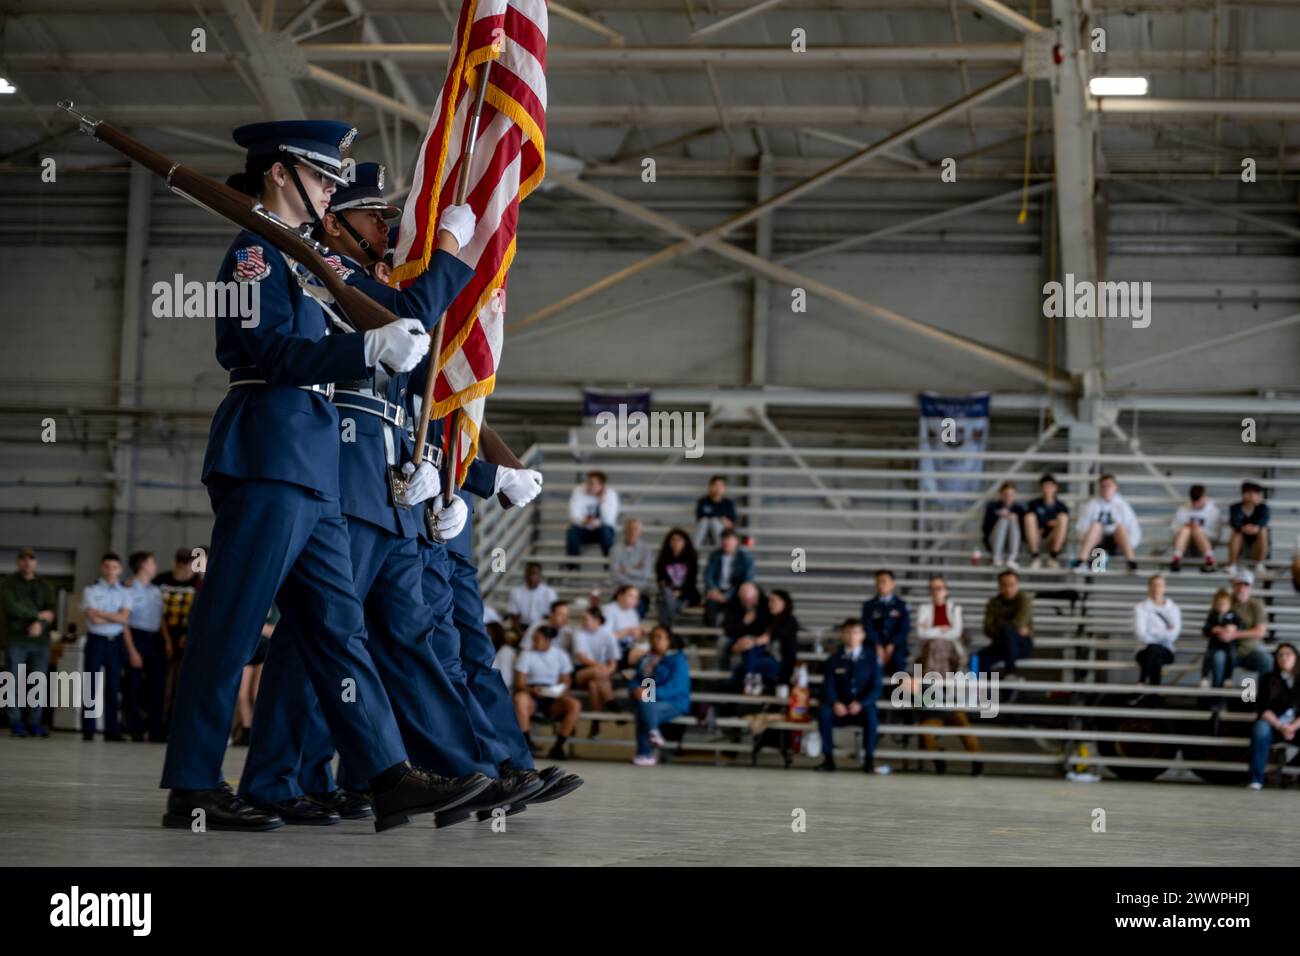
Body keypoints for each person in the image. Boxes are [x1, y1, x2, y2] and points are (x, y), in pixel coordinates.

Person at [159, 121, 489, 833]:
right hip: (269, 451)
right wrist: (360, 351)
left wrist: (442, 265)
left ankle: (389, 776)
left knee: (341, 632)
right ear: (281, 174)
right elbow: (258, 348)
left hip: (315, 466)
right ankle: (191, 784)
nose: (335, 189)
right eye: (322, 177)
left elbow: (398, 318)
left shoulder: (307, 262)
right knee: (233, 627)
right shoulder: (255, 253)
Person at [239, 162, 544, 824]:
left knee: (408, 637)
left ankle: (465, 771)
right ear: (335, 223)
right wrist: (450, 254)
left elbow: (416, 394)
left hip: (392, 489)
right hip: (346, 483)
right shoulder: (324, 271)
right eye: (373, 215)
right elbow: (405, 317)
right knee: (315, 639)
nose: (386, 227)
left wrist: (447, 475)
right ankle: (277, 778)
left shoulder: (365, 285)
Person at [814, 619, 881, 774]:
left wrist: (861, 703)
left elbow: (876, 687)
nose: (852, 636)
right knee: (824, 713)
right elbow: (828, 685)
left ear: (863, 635)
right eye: (848, 632)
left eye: (856, 632)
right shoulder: (834, 659)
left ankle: (869, 759)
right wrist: (835, 703)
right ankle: (828, 759)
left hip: (861, 708)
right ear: (842, 635)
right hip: (840, 708)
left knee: (872, 715)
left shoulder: (871, 658)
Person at [2, 547, 56, 737]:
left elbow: (51, 611)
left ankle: (34, 722)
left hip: (39, 641)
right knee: (12, 682)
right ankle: (15, 722)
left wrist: (39, 625)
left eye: (31, 559)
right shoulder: (8, 584)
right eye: (23, 559)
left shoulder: (44, 586)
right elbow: (12, 607)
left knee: (38, 683)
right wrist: (37, 615)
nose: (27, 562)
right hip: (16, 640)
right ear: (18, 562)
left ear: (36, 562)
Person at [81, 552, 132, 742]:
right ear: (102, 568)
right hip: (96, 641)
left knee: (113, 687)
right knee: (90, 686)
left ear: (119, 569)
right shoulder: (90, 591)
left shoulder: (126, 592)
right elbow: (93, 620)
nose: (110, 571)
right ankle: (88, 729)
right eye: (107, 567)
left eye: (114, 567)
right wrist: (114, 616)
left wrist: (102, 613)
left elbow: (124, 619)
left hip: (115, 642)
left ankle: (112, 730)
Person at [513, 625, 581, 760]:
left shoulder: (560, 655)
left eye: (537, 639)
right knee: (520, 699)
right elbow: (519, 683)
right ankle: (526, 744)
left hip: (553, 695)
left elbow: (566, 681)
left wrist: (560, 691)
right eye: (533, 639)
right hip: (532, 693)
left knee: (574, 704)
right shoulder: (526, 654)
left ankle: (558, 746)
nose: (534, 642)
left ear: (548, 640)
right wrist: (532, 690)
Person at [629, 624, 691, 766]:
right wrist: (635, 689)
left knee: (644, 708)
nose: (655, 640)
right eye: (653, 637)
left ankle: (644, 752)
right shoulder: (647, 659)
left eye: (659, 637)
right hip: (648, 700)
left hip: (674, 702)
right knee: (644, 704)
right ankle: (653, 734)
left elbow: (676, 687)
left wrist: (649, 692)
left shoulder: (678, 659)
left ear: (669, 640)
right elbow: (636, 679)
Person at [123, 551, 167, 743]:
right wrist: (132, 650)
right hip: (136, 636)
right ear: (142, 565)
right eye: (152, 563)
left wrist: (167, 641)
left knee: (157, 685)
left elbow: (161, 618)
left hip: (155, 638)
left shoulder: (156, 590)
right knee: (133, 685)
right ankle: (135, 728)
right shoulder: (128, 589)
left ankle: (156, 729)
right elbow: (123, 622)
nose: (155, 566)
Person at [155, 546, 201, 726]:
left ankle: (173, 724)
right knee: (163, 686)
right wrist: (166, 639)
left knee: (181, 686)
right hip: (163, 636)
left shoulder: (197, 583)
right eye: (180, 562)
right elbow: (156, 611)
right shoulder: (162, 580)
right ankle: (158, 723)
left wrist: (188, 634)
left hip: (187, 639)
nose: (183, 566)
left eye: (186, 562)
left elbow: (199, 612)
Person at [1247, 643, 1300, 790]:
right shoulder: (1268, 679)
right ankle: (1256, 779)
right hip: (1274, 724)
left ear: (1296, 657)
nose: (1284, 658)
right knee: (1260, 729)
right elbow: (1261, 708)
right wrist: (1280, 726)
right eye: (1280, 655)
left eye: (1288, 654)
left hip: (1297, 725)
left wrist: (1293, 727)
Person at [1074, 473, 1142, 573]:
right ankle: (1081, 561)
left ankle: (1131, 563)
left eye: (1109, 485)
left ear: (1115, 487)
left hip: (1117, 545)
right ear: (1099, 488)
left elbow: (1134, 529)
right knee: (1096, 525)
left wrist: (1128, 544)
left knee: (1120, 527)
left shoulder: (1123, 505)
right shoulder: (1092, 505)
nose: (1106, 488)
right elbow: (1080, 529)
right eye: (1103, 486)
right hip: (1097, 545)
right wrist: (1088, 540)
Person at [572, 606, 622, 734]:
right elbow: (582, 659)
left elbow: (613, 663)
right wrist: (601, 667)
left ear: (597, 620)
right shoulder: (578, 633)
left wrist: (606, 671)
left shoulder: (608, 635)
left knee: (593, 685)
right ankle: (612, 704)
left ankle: (595, 722)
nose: (583, 622)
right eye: (582, 619)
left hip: (601, 674)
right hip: (581, 672)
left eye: (586, 619)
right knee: (596, 672)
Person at [231, 606, 276, 748]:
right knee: (242, 694)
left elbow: (275, 630)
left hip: (266, 648)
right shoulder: (252, 599)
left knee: (257, 694)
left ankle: (265, 732)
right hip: (248, 647)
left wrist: (257, 626)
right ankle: (247, 731)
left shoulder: (275, 605)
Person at [978, 569, 1033, 676]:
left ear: (1017, 585)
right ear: (999, 586)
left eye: (1012, 585)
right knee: (976, 659)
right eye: (1004, 585)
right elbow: (987, 629)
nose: (1008, 588)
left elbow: (1018, 623)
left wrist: (1000, 625)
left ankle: (1010, 673)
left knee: (1008, 632)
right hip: (1000, 644)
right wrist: (1009, 629)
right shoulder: (993, 603)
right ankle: (995, 689)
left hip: (1021, 645)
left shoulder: (1024, 601)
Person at [1133, 573, 1181, 686]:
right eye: (1154, 585)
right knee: (1156, 657)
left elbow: (1173, 635)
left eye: (1160, 585)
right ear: (1149, 587)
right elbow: (1141, 634)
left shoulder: (1173, 608)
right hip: (1144, 651)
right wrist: (1163, 633)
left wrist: (1153, 634)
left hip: (1166, 651)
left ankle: (1141, 682)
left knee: (1154, 650)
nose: (1156, 588)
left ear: (1165, 588)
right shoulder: (1140, 607)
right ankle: (1154, 697)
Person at [862, 569, 909, 677]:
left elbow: (904, 628)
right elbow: (868, 627)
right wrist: (878, 645)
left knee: (898, 661)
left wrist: (891, 645)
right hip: (873, 644)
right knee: (868, 661)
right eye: (877, 582)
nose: (880, 585)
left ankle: (896, 692)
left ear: (893, 583)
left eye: (884, 581)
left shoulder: (901, 605)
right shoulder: (869, 605)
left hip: (896, 645)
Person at [702, 529, 753, 627]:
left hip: (735, 591)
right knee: (711, 602)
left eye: (729, 539)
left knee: (738, 602)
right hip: (717, 590)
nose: (726, 542)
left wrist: (728, 595)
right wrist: (714, 589)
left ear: (736, 541)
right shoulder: (715, 555)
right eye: (724, 539)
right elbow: (708, 575)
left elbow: (747, 580)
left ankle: (731, 631)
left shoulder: (745, 558)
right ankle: (711, 634)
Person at [914, 575, 965, 673]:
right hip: (928, 648)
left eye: (939, 588)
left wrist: (931, 630)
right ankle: (944, 680)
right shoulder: (923, 609)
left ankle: (935, 682)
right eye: (932, 589)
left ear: (946, 591)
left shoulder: (955, 609)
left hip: (951, 648)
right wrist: (942, 628)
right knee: (936, 644)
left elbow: (956, 633)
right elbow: (921, 633)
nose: (935, 592)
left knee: (937, 644)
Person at [565, 470, 619, 558]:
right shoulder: (578, 491)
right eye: (588, 482)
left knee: (606, 532)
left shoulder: (611, 494)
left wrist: (602, 501)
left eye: (592, 483)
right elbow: (573, 515)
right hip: (583, 528)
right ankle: (572, 568)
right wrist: (585, 521)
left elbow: (609, 521)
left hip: (602, 530)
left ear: (601, 485)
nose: (589, 486)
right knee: (572, 533)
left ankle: (609, 566)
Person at [1170, 484, 1220, 573]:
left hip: (1206, 545)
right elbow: (1174, 528)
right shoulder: (1183, 508)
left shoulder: (1213, 511)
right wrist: (1186, 527)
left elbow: (1215, 535)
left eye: (1198, 501)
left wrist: (1199, 529)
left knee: (1196, 529)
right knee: (1186, 529)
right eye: (1194, 501)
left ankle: (1210, 560)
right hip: (1186, 545)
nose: (1196, 504)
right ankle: (1176, 559)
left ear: (1204, 497)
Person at [654, 528, 700, 626]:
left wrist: (680, 592)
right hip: (669, 592)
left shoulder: (691, 559)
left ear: (685, 542)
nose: (676, 542)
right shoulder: (662, 559)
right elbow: (661, 580)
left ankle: (667, 627)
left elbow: (692, 582)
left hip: (686, 594)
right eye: (673, 539)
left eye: (679, 539)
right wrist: (670, 590)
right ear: (669, 542)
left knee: (663, 603)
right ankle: (675, 625)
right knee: (666, 595)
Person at [1023, 473, 1069, 569]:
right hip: (1037, 537)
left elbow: (1062, 525)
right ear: (1041, 488)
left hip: (1052, 538)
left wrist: (1047, 525)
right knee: (1029, 517)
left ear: (1055, 488)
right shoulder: (1034, 504)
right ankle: (1035, 557)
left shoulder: (1061, 506)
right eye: (1045, 486)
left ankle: (1053, 556)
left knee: (1063, 518)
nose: (1047, 489)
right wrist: (1048, 524)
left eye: (1050, 486)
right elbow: (1031, 522)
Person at [1199, 588, 1242, 688]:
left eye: (1224, 604)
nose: (1222, 606)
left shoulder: (1233, 614)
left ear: (1230, 604)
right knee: (1208, 656)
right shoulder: (1213, 615)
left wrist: (1233, 627)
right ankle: (1204, 677)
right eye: (1219, 604)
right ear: (1215, 604)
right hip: (1215, 643)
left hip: (1229, 644)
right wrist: (1213, 629)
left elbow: (1240, 625)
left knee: (1232, 656)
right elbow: (1205, 629)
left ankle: (1228, 678)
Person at [609, 518, 653, 615]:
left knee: (635, 611)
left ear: (640, 532)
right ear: (624, 531)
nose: (632, 532)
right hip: (620, 591)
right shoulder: (615, 549)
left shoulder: (646, 549)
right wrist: (636, 570)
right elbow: (616, 574)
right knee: (613, 613)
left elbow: (646, 574)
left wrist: (626, 570)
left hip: (640, 592)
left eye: (635, 529)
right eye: (629, 529)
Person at [1227, 480, 1270, 575]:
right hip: (1241, 544)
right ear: (1244, 494)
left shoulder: (1263, 508)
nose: (1256, 496)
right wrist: (1243, 528)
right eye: (1251, 493)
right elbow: (1233, 522)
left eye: (1257, 493)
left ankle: (1260, 563)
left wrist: (1256, 527)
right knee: (1236, 531)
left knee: (1263, 530)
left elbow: (1264, 520)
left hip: (1256, 544)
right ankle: (1232, 565)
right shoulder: (1236, 507)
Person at [981, 481, 1025, 567]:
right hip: (994, 540)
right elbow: (985, 529)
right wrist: (997, 515)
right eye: (1006, 494)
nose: (1008, 497)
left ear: (1014, 495)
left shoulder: (1019, 509)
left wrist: (1018, 519)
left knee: (1012, 519)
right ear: (1001, 494)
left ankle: (1012, 558)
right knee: (1004, 520)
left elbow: (1023, 533)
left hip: (1012, 541)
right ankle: (996, 557)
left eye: (1011, 494)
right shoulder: (992, 507)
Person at [506, 561, 558, 634]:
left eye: (534, 573)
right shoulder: (515, 592)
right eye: (528, 573)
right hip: (522, 627)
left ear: (540, 575)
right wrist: (521, 634)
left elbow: (550, 617)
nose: (531, 576)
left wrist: (539, 634)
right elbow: (514, 617)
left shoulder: (549, 593)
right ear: (525, 574)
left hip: (542, 627)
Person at [602, 585, 646, 662]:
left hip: (629, 646)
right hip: (613, 649)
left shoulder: (633, 612)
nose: (634, 600)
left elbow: (636, 636)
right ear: (620, 596)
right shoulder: (609, 610)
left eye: (636, 597)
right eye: (630, 596)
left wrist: (640, 633)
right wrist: (627, 632)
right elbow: (604, 637)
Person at [694, 475, 737, 548]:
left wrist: (715, 518)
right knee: (705, 521)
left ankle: (721, 547)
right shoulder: (703, 502)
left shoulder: (728, 503)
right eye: (715, 485)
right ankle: (695, 547)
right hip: (705, 532)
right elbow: (700, 519)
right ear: (710, 487)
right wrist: (720, 518)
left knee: (714, 521)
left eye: (720, 486)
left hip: (721, 532)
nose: (718, 488)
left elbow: (730, 524)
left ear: (724, 488)